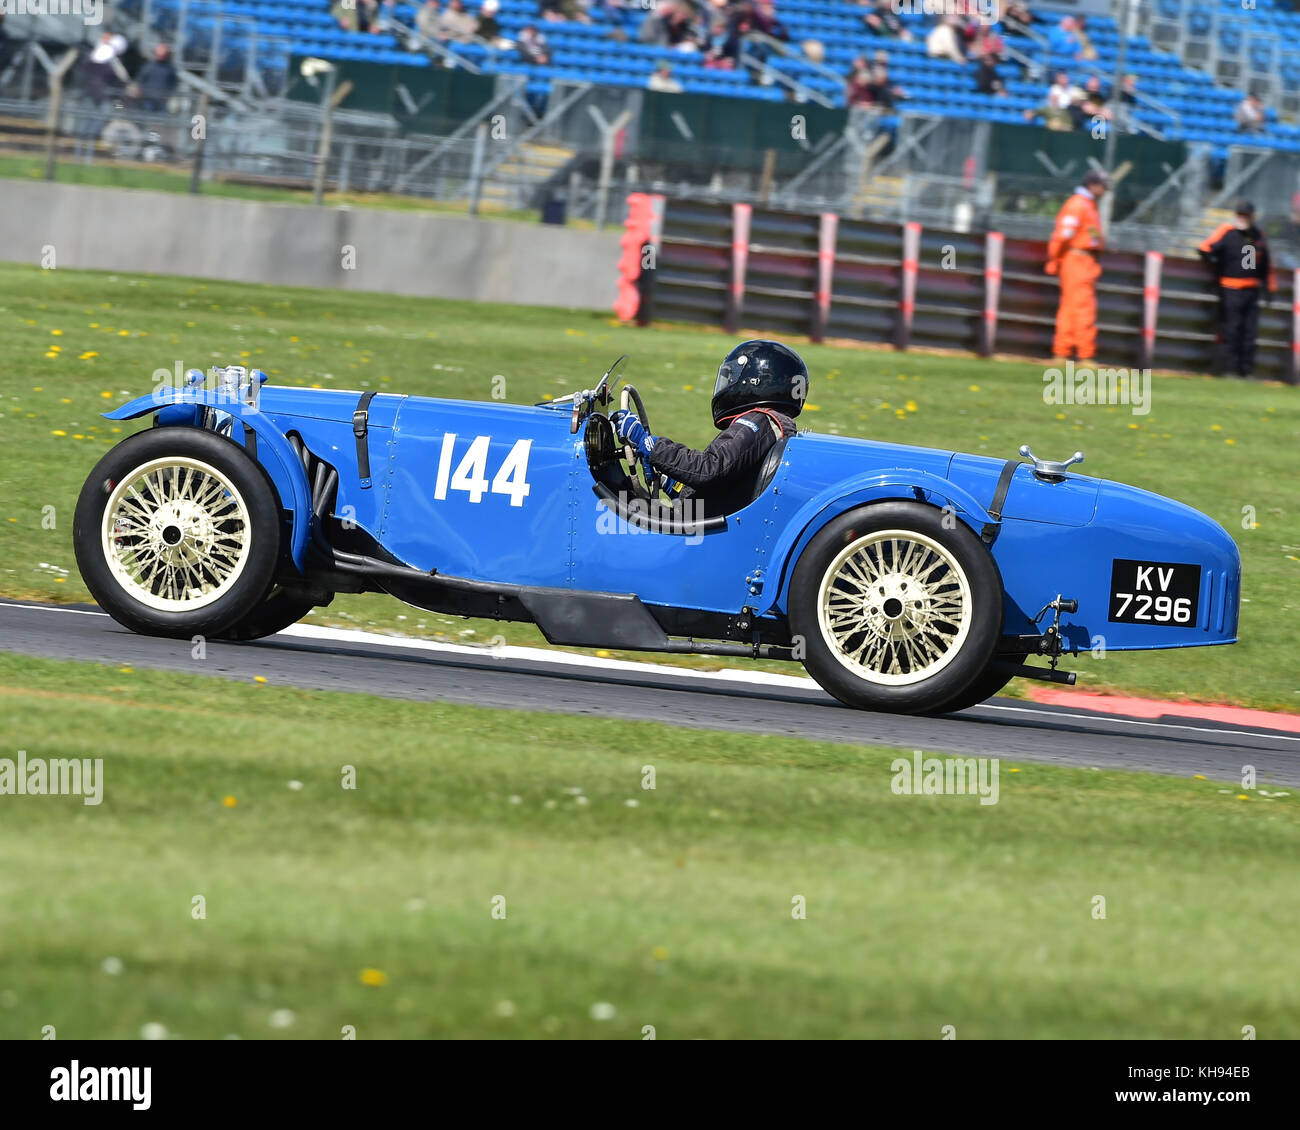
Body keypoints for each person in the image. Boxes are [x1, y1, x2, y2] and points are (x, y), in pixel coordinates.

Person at [610, 340, 807, 519]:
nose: (728, 383)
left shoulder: (759, 422)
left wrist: (648, 444)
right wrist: (672, 484)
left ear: (756, 381)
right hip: (711, 515)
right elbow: (725, 485)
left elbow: (710, 468)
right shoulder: (772, 426)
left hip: (709, 529)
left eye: (732, 376)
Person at [1198, 201, 1275, 379]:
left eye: (1246, 215)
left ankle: (1246, 371)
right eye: (1240, 214)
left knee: (1249, 332)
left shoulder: (1257, 236)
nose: (1242, 218)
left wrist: (1270, 288)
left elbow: (1265, 266)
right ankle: (1229, 369)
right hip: (1229, 289)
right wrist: (1214, 262)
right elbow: (1204, 248)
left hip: (1251, 291)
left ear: (1252, 217)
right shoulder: (1227, 232)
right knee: (1231, 330)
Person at [1045, 169, 1109, 362]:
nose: (1105, 190)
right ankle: (1084, 355)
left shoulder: (1088, 205)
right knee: (1082, 309)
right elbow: (1063, 235)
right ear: (1093, 185)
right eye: (1102, 186)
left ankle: (1062, 353)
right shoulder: (1078, 205)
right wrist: (1054, 258)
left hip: (1083, 261)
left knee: (1070, 308)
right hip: (1077, 260)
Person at [134, 43, 177, 112]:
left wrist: (169, 95)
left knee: (160, 121)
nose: (161, 56)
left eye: (163, 54)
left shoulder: (170, 69)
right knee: (147, 118)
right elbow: (140, 80)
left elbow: (173, 84)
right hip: (147, 99)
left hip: (162, 100)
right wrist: (139, 92)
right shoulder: (148, 66)